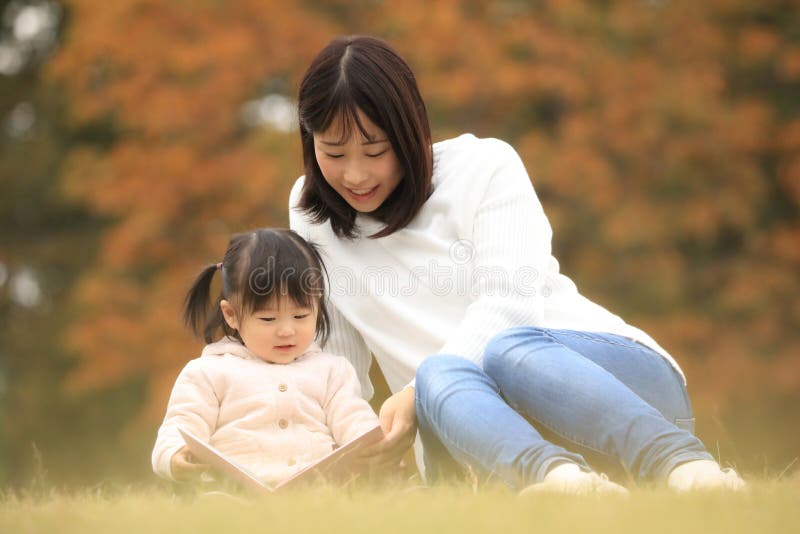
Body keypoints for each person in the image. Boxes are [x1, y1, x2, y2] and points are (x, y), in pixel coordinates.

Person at [288, 35, 746, 494]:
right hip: (476, 432)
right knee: (437, 375)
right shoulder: (311, 215)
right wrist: (336, 450)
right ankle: (564, 485)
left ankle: (684, 464)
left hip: (616, 389)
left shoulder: (483, 166)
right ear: (310, 141)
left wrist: (411, 395)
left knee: (498, 351)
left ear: (409, 132)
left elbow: (511, 307)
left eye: (375, 152)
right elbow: (335, 365)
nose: (355, 174)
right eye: (333, 153)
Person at [151, 228, 379, 485]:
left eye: (301, 316)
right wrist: (175, 455)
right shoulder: (208, 372)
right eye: (268, 319)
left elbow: (353, 419)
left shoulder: (332, 371)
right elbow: (182, 424)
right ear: (231, 315)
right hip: (234, 492)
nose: (286, 330)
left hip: (316, 491)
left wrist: (377, 447)